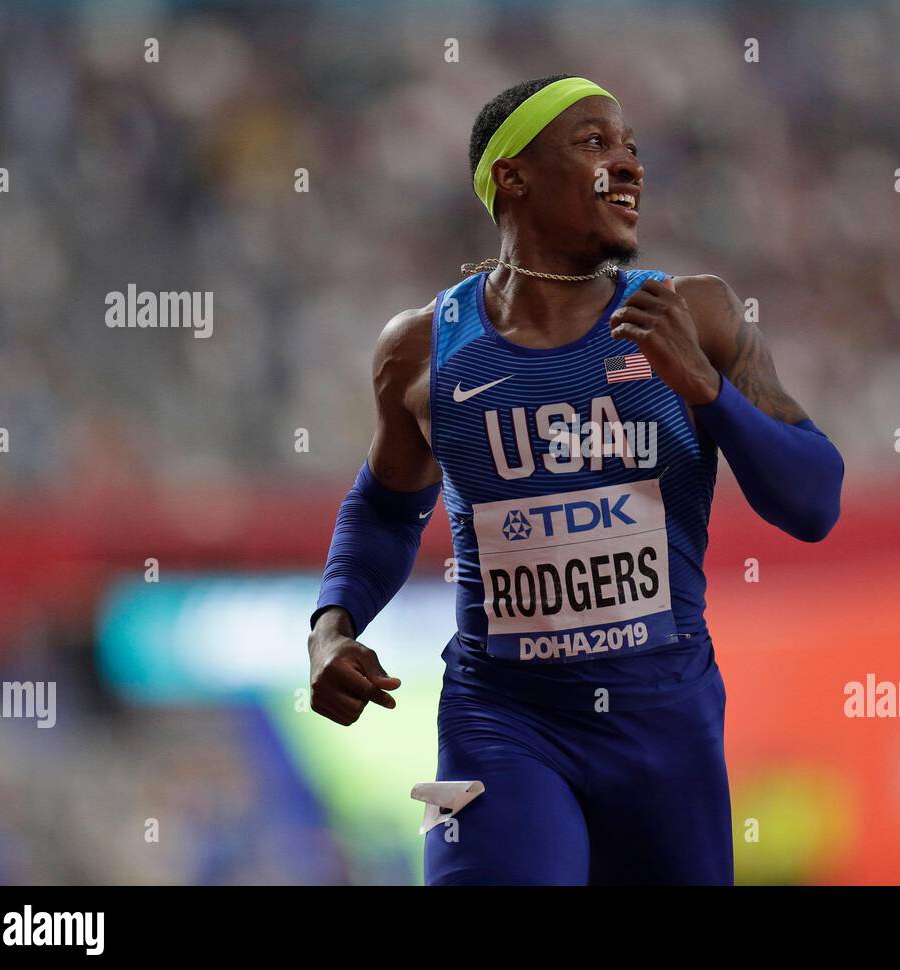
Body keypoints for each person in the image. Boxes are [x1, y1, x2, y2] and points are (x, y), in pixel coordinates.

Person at [307, 75, 844, 884]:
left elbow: (815, 503)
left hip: (665, 723)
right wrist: (330, 630)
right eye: (595, 143)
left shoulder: (695, 314)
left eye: (631, 148)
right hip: (500, 718)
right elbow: (385, 507)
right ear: (512, 176)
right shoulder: (423, 350)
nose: (627, 165)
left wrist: (707, 389)